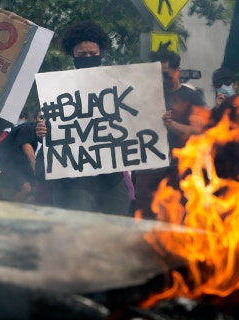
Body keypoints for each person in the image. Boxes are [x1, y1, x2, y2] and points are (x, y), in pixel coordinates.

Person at [35, 21, 130, 215]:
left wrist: (154, 119)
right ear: (73, 55)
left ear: (100, 53)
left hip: (111, 179)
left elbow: (135, 120)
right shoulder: (57, 88)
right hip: (73, 182)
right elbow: (50, 128)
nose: (88, 58)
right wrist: (41, 131)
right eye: (82, 55)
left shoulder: (117, 85)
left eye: (93, 55)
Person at [133, 47, 205, 219]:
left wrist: (172, 126)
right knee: (145, 221)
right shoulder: (146, 96)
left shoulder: (191, 97)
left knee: (175, 221)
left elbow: (199, 132)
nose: (162, 79)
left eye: (166, 74)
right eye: (158, 74)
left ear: (177, 71)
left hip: (177, 170)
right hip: (147, 171)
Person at [0, 109, 42, 202]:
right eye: (41, 117)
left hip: (23, 168)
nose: (43, 120)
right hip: (11, 166)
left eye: (21, 116)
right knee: (26, 188)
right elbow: (29, 152)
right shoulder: (26, 128)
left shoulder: (46, 134)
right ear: (36, 119)